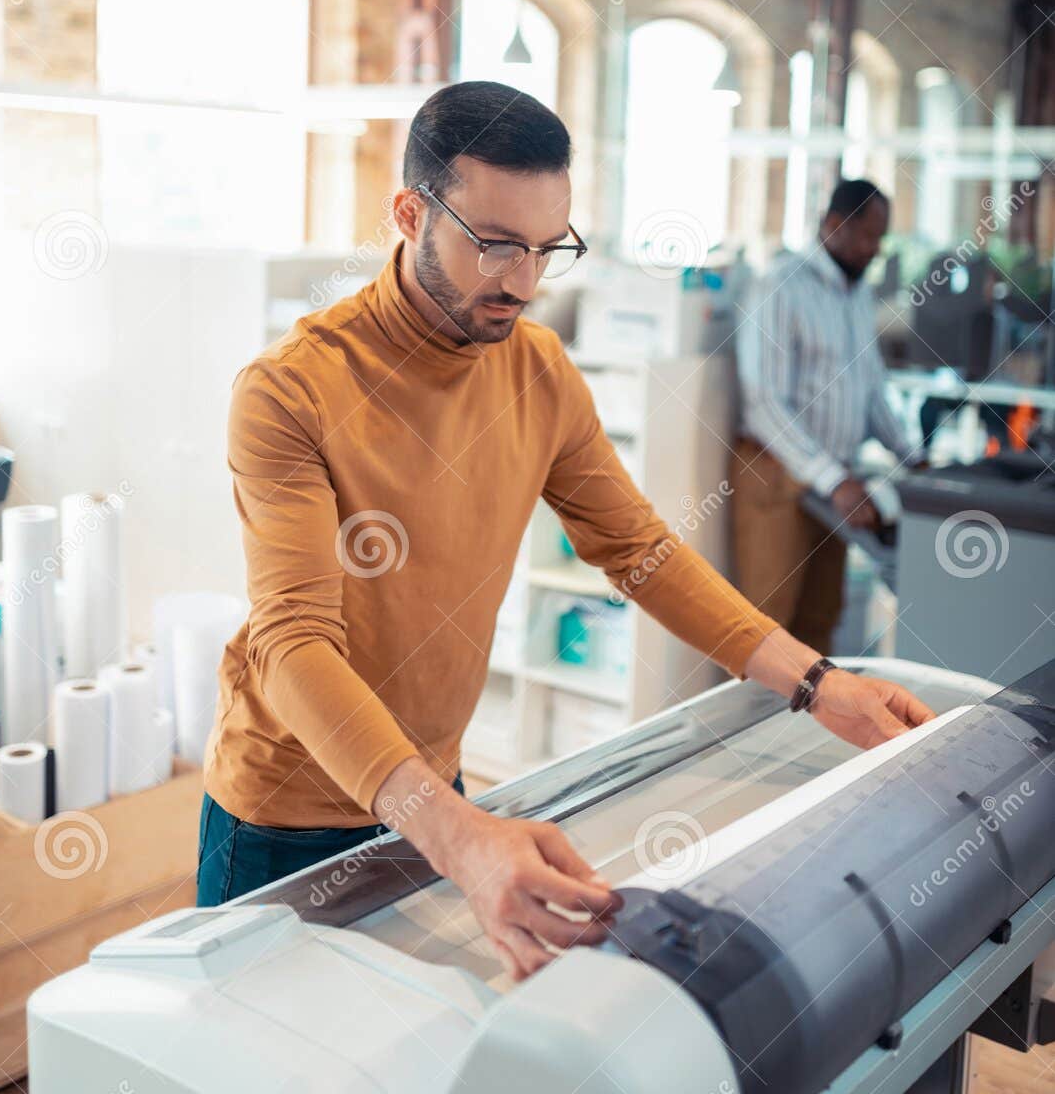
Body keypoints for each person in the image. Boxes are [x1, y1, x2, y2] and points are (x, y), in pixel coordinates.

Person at [197, 92, 934, 979]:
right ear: (407, 214)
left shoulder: (538, 369)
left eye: (549, 248)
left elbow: (642, 553)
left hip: (434, 792)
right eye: (497, 244)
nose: (523, 280)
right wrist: (456, 836)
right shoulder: (290, 389)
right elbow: (291, 640)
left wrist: (816, 684)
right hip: (286, 816)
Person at [732, 177, 920, 651]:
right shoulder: (779, 285)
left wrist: (911, 457)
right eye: (867, 237)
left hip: (836, 482)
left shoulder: (856, 293)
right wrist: (832, 479)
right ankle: (754, 726)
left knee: (819, 624)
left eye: (881, 238)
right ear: (834, 225)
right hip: (780, 475)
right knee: (768, 632)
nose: (875, 250)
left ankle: (805, 729)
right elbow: (764, 400)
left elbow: (872, 388)